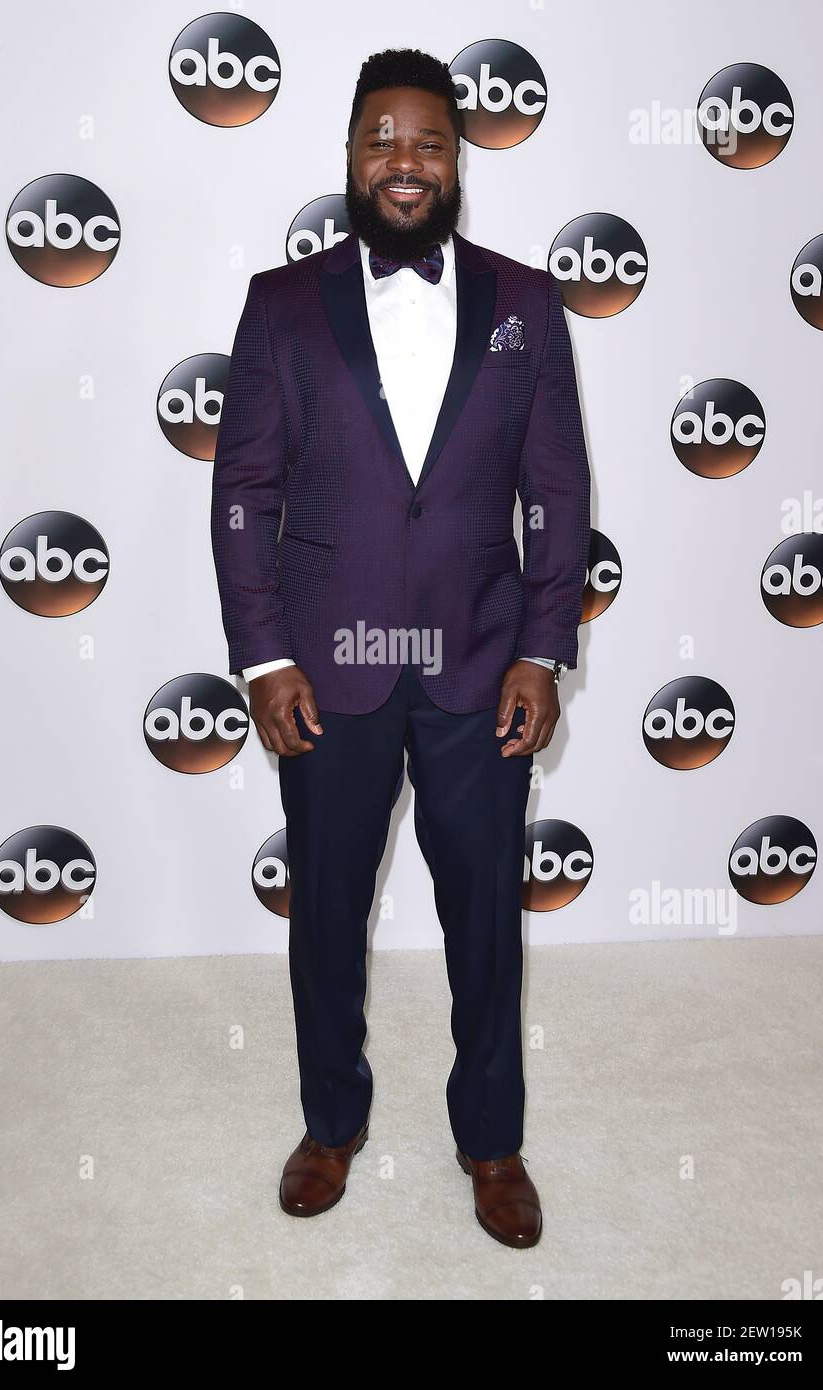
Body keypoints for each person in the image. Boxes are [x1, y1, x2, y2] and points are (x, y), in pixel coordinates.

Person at [211, 48, 591, 1248]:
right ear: (349, 152)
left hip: (483, 661)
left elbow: (558, 494)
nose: (404, 161)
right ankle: (331, 1122)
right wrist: (264, 658)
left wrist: (543, 650)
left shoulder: (526, 302)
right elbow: (244, 490)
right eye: (382, 138)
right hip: (326, 667)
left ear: (457, 159)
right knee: (326, 912)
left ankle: (493, 1142)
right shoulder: (282, 303)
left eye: (428, 141)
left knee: (485, 922)